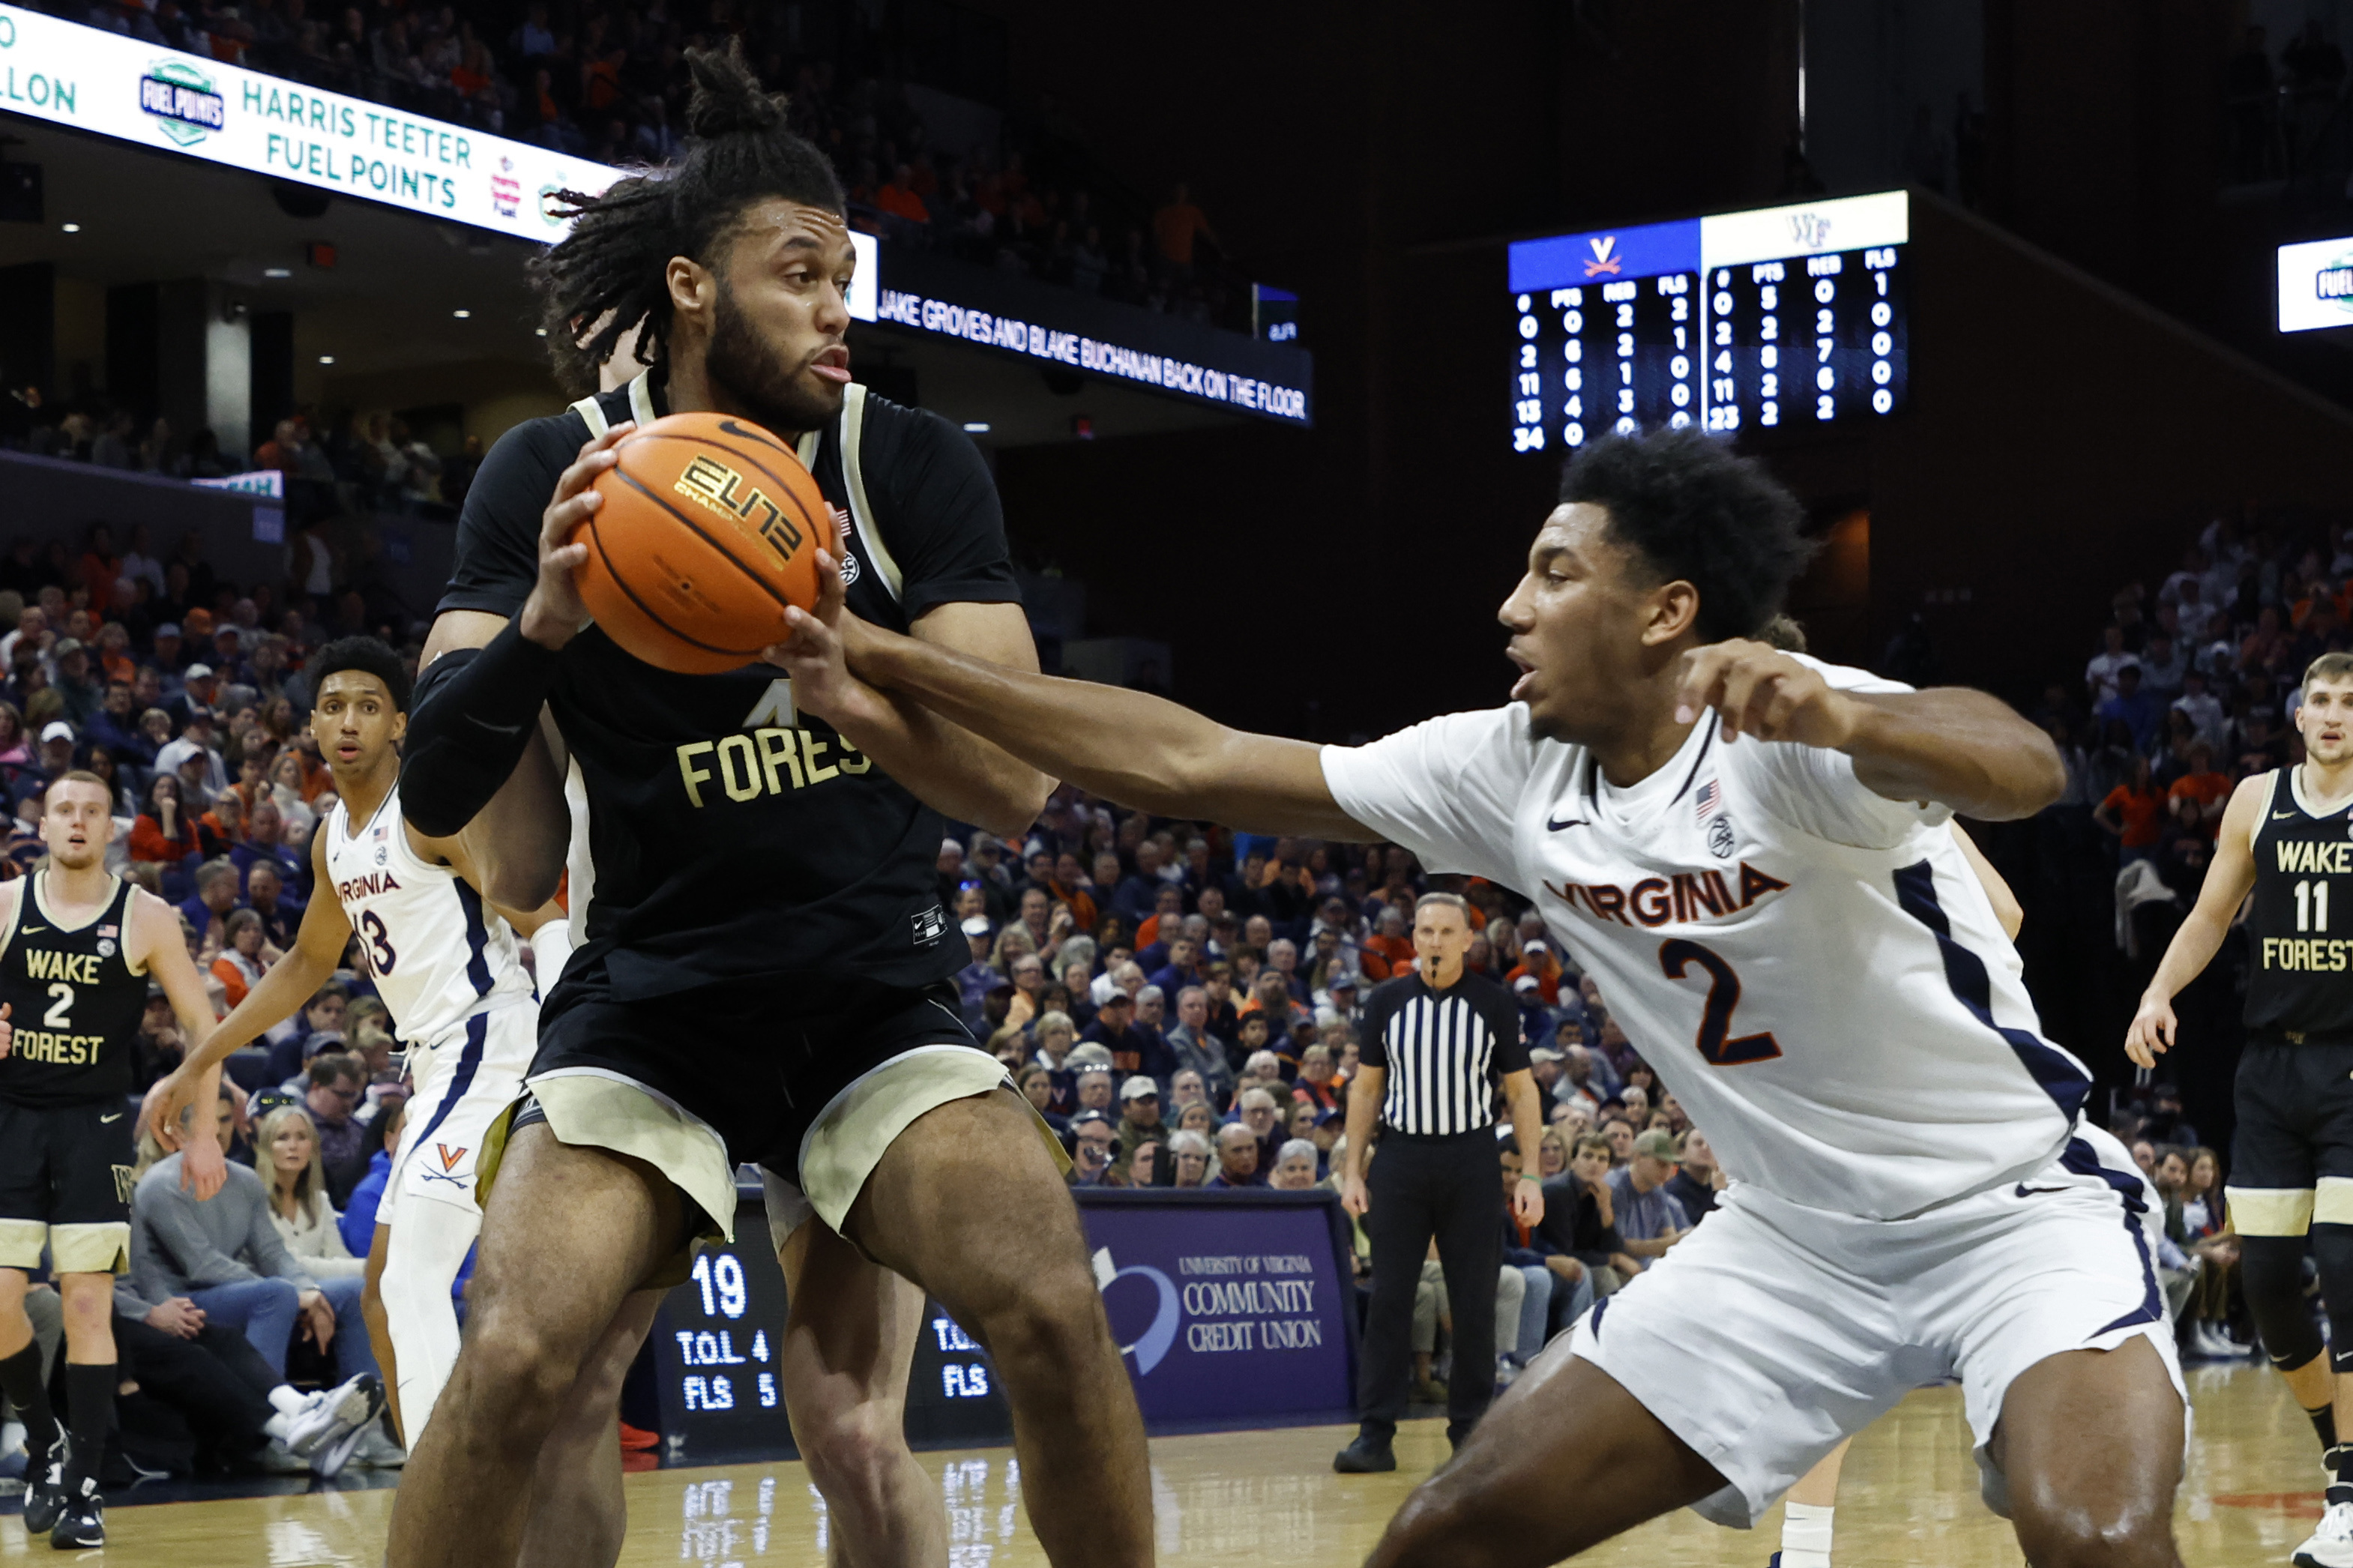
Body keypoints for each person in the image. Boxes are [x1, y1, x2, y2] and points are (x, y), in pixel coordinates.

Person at [782, 424, 2188, 1566]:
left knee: (2094, 1536)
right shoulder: (1503, 768)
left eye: (1552, 574)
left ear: (1665, 611)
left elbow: (2019, 764)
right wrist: (883, 655)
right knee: (1441, 1540)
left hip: (2010, 1211)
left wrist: (1849, 714)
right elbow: (1192, 760)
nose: (1509, 608)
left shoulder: (1782, 721)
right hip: (1788, 1245)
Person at [380, 43, 1144, 1568]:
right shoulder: (547, 472)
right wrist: (541, 628)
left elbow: (1011, 784)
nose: (835, 308)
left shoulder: (905, 463)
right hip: (651, 1000)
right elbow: (465, 814)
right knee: (522, 1356)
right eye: (799, 275)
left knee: (1047, 1310)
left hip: (870, 992)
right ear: (690, 287)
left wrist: (854, 683)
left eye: (845, 278)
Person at [151, 639, 564, 1469]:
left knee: (412, 1282)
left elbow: (540, 917)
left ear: (400, 724)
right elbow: (307, 962)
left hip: (488, 1040)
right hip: (433, 1064)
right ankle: (429, 1479)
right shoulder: (331, 837)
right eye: (334, 706)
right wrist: (200, 1059)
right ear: (310, 723)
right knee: (378, 1293)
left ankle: (456, 1499)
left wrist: (571, 1029)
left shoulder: (428, 810)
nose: (349, 722)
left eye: (369, 707)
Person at [2128, 650, 2353, 1565]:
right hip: (2267, 1070)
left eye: (2349, 702)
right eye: (2321, 699)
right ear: (2298, 715)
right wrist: (2157, 991)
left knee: (2345, 1264)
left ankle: (2350, 1498)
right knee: (2266, 1287)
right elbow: (2209, 916)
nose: (2334, 713)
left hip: (2348, 1069)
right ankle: (2340, 1456)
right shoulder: (2257, 800)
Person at [0, 771, 227, 1548]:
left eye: (92, 810)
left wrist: (204, 1130)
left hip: (95, 1125)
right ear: (43, 822)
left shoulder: (147, 916)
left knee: (88, 1304)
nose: (76, 820)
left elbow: (203, 1026)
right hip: (12, 1120)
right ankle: (43, 1441)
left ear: (109, 828)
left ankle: (86, 1487)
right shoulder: (6, 904)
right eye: (63, 809)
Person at [1318, 893, 1540, 1470]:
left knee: (1474, 1300)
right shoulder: (1386, 1001)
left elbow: (1521, 1091)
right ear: (1412, 938)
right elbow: (1366, 1088)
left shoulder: (1493, 1003)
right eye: (1425, 931)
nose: (1434, 941)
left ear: (1468, 940)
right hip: (1401, 1159)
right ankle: (1374, 1434)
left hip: (1472, 1158)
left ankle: (1469, 1433)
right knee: (1390, 1297)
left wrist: (1531, 1173)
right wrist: (1352, 1169)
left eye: (1445, 931)